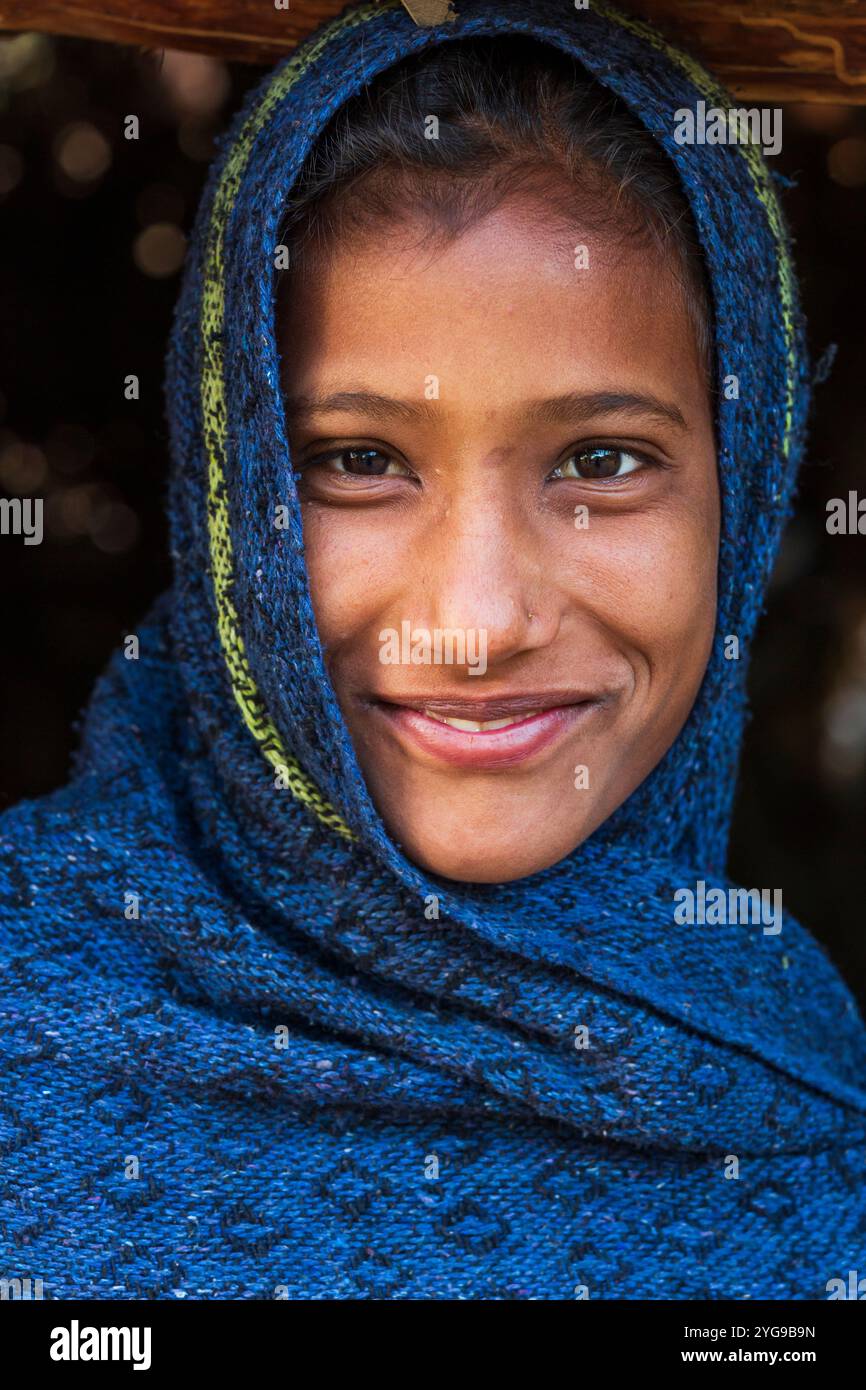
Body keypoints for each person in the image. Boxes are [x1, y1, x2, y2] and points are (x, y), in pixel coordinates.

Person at [1, 0, 864, 1300]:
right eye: (358, 462)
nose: (477, 620)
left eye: (601, 461)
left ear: (740, 498)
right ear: (229, 499)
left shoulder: (797, 1108)